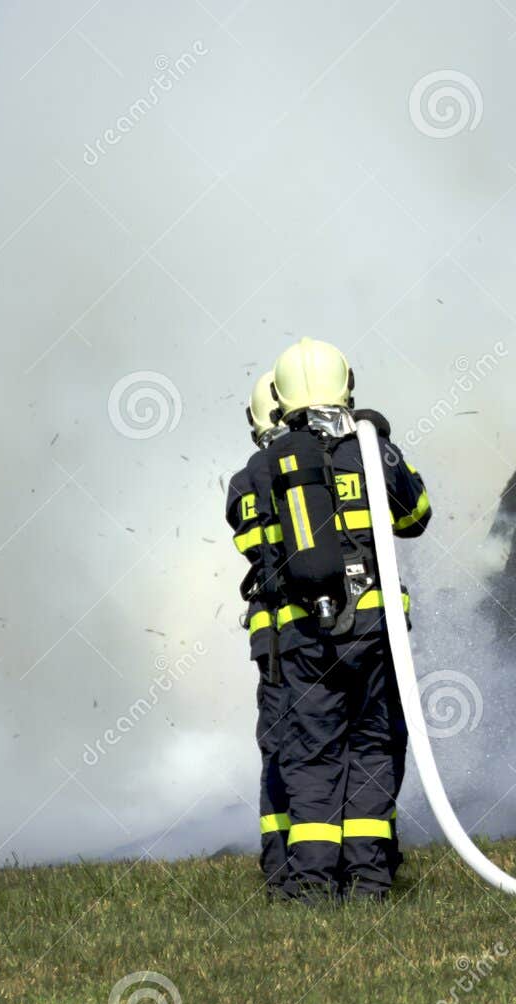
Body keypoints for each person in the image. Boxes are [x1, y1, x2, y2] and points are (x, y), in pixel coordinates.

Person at [264, 338, 432, 902]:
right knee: (374, 746)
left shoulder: (265, 464)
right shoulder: (373, 450)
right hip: (375, 635)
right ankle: (370, 882)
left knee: (312, 756)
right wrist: (379, 443)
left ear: (280, 395)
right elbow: (417, 516)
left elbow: (261, 556)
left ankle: (310, 885)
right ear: (346, 383)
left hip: (305, 638)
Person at [224, 370, 310, 898]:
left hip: (274, 642)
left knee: (282, 750)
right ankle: (339, 869)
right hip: (313, 635)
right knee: (326, 747)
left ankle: (284, 871)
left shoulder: (245, 480)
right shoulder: (330, 465)